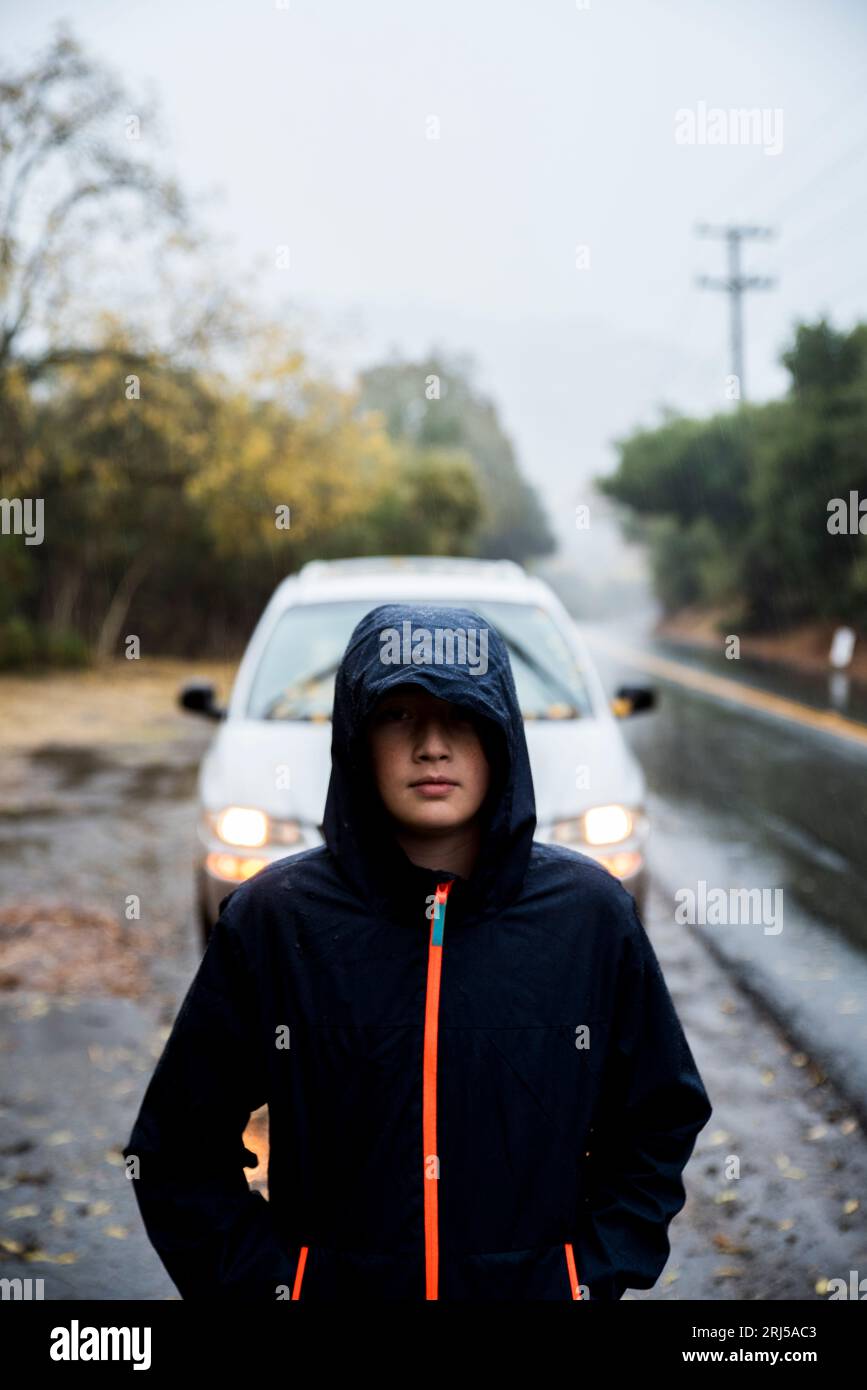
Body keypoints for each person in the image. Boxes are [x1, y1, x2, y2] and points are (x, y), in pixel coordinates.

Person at [123, 601, 713, 1300]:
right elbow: (175, 1149)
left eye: (460, 715)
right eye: (397, 715)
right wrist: (278, 1286)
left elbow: (657, 1117)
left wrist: (583, 1277)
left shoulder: (588, 917)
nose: (432, 745)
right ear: (355, 736)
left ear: (501, 735)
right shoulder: (276, 921)